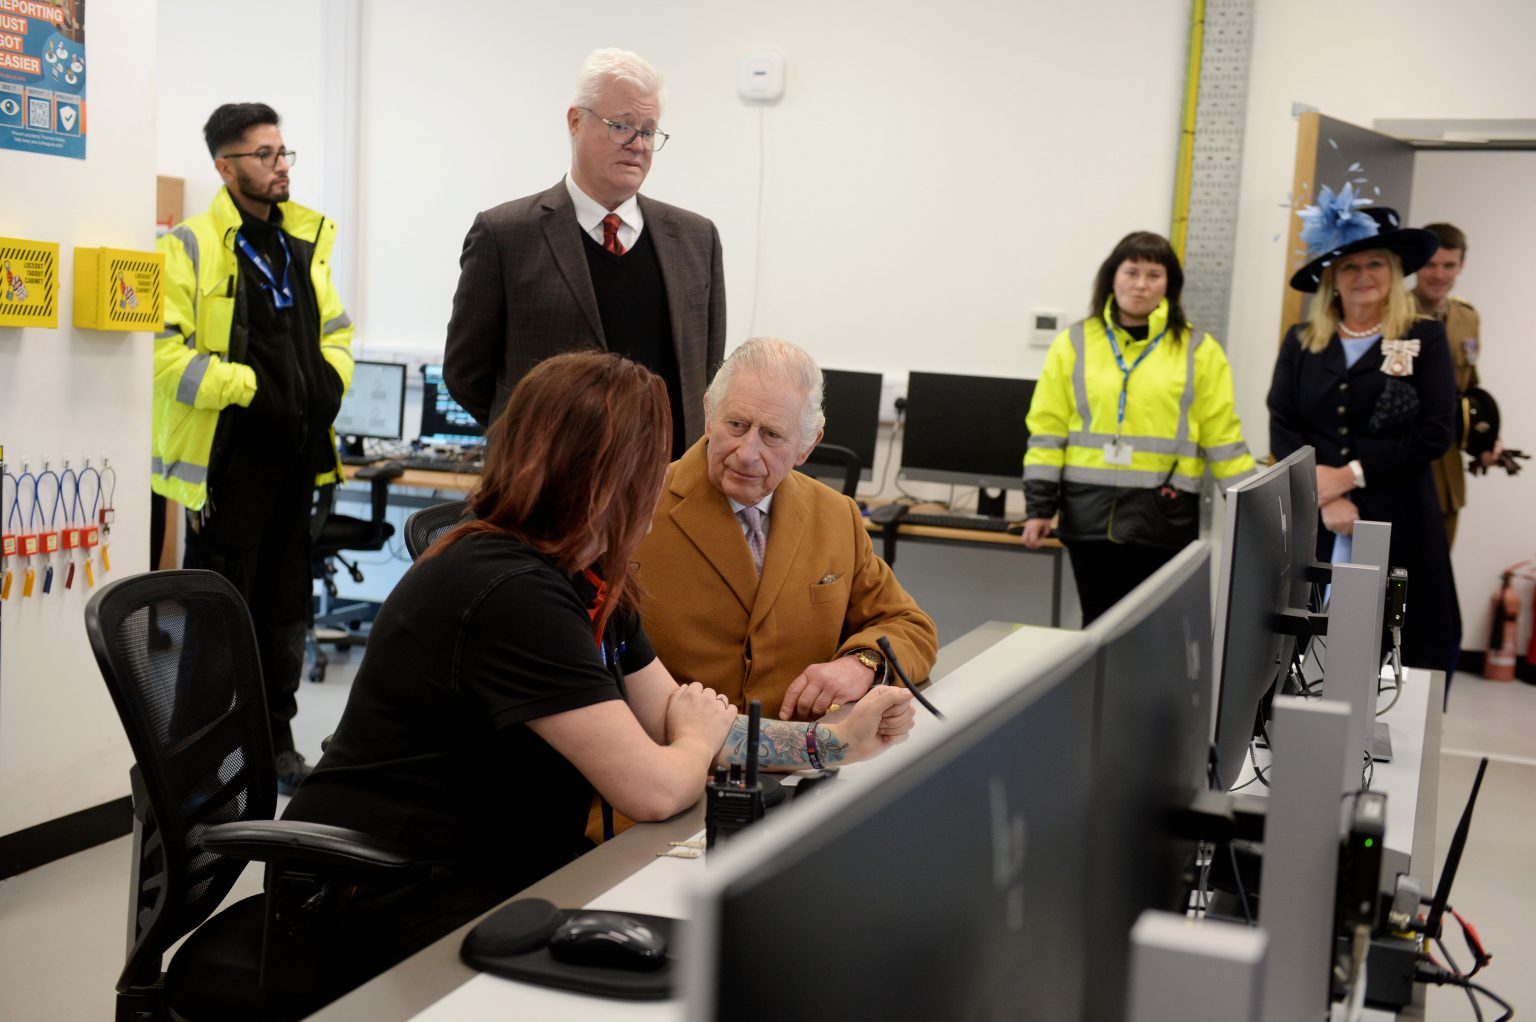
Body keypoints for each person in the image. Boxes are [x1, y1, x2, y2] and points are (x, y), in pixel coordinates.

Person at [283, 352, 915, 996]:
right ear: (606, 482)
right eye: (650, 468)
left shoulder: (588, 578)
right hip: (389, 893)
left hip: (498, 866)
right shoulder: (510, 593)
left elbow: (674, 715)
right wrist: (695, 736)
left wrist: (837, 742)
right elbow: (655, 788)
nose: (667, 482)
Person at [154, 102, 353, 793]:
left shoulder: (302, 241)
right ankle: (203, 761)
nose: (279, 166)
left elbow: (337, 332)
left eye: (282, 152)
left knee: (284, 614)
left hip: (297, 460)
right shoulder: (190, 245)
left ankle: (276, 744)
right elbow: (164, 356)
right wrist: (248, 387)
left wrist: (329, 382)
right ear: (224, 166)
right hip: (229, 467)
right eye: (263, 155)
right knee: (217, 622)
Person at [634, 337, 939, 722]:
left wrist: (861, 664)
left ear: (807, 446)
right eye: (737, 425)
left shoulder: (837, 515)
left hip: (805, 751)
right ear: (709, 415)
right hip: (672, 747)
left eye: (772, 435)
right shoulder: (636, 504)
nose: (747, 453)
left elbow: (911, 627)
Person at [443, 47, 724, 458]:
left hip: (662, 482)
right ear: (575, 121)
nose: (638, 145)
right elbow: (466, 374)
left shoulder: (696, 239)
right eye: (621, 126)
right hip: (545, 480)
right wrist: (534, 444)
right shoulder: (505, 234)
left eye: (648, 131)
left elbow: (706, 375)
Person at [1021, 232, 1255, 626]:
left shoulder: (1199, 349)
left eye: (1153, 275)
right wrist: (1039, 507)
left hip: (1164, 514)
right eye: (1131, 272)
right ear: (1112, 277)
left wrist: (1252, 508)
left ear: (1169, 285)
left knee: (1156, 629)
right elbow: (1047, 428)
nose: (1141, 284)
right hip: (1088, 514)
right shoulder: (1073, 343)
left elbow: (1223, 436)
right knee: (1099, 625)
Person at [1267, 190, 1459, 671]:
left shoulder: (1425, 337)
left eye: (1375, 264)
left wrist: (1349, 475)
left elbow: (1436, 432)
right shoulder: (1302, 341)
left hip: (1400, 516)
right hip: (1314, 519)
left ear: (1394, 271)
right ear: (1332, 278)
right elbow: (1283, 425)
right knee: (1304, 646)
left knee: (1395, 644)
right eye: (1349, 266)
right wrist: (1324, 495)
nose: (1363, 275)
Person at [1413, 222, 1498, 547]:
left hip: (1447, 472)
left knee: (1438, 568)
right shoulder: (1392, 314)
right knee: (1394, 571)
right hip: (1405, 463)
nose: (1439, 275)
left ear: (1461, 265)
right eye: (1430, 264)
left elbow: (1469, 388)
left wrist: (1486, 439)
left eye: (1449, 265)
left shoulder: (1467, 317)